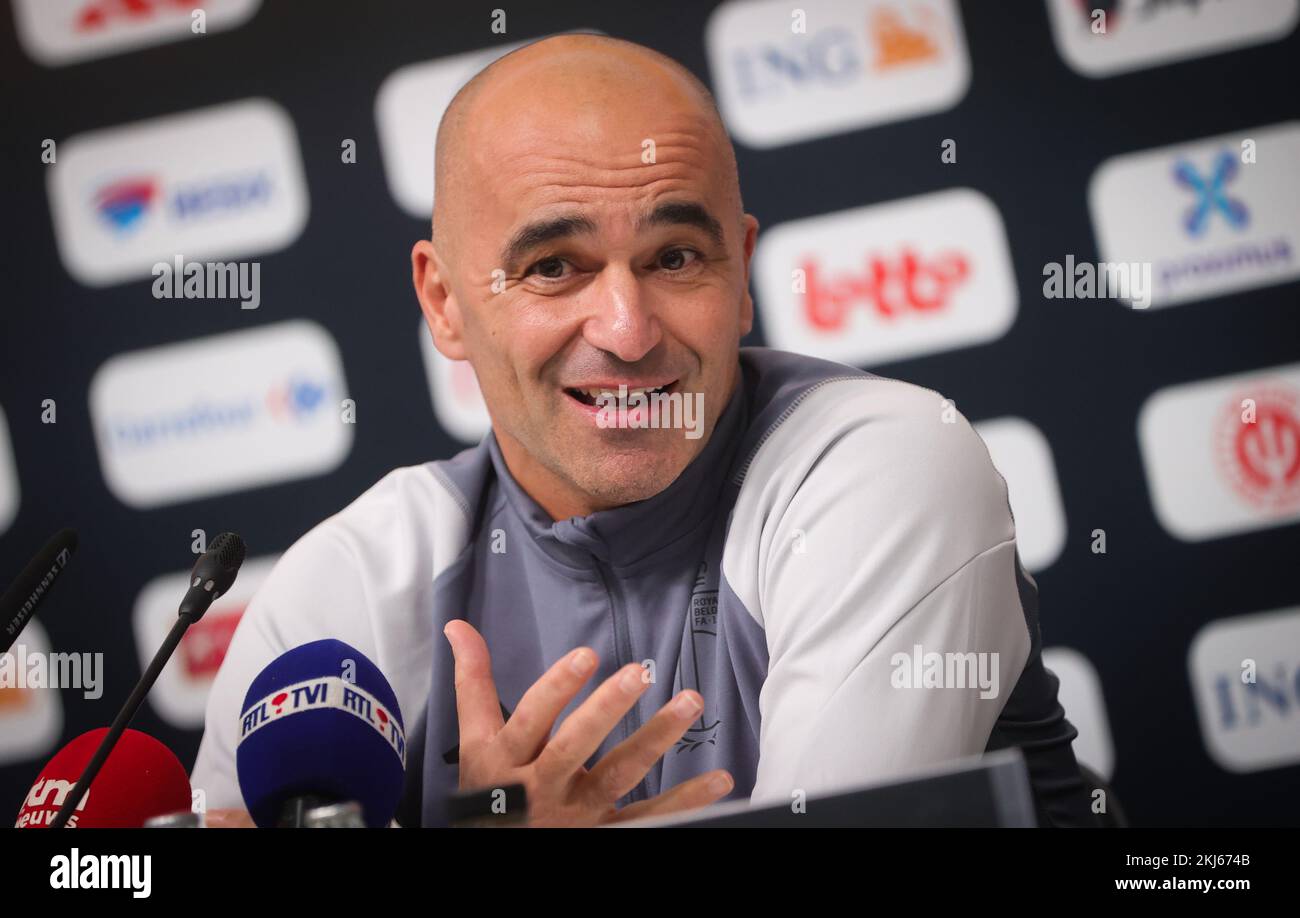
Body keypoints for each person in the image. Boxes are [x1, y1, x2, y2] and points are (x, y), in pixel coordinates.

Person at [192, 34, 1096, 827]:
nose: (627, 331)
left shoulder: (883, 466)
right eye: (554, 267)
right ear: (445, 301)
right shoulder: (345, 590)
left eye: (673, 257)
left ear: (741, 272)